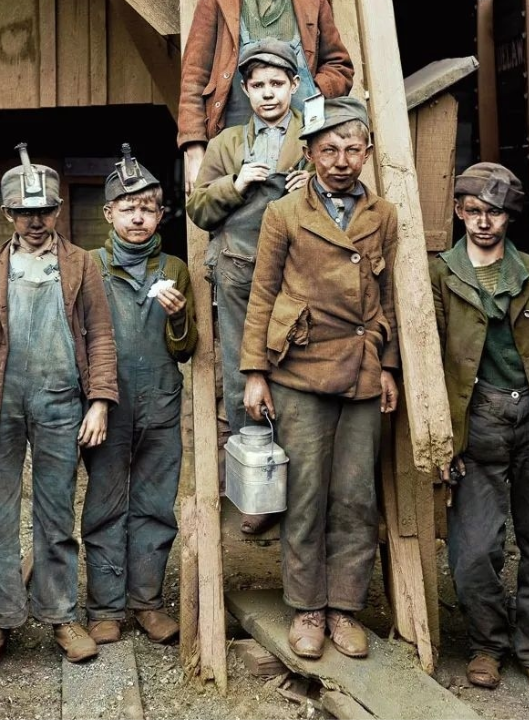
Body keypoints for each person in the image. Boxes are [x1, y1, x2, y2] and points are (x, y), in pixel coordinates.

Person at [0, 143, 117, 663]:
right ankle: (1, 618)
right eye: (24, 211)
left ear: (58, 210)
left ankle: (61, 616)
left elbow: (102, 338)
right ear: (8, 215)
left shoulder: (82, 265)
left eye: (43, 210)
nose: (34, 220)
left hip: (61, 402)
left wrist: (100, 402)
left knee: (56, 513)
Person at [240, 96, 399, 660]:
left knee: (355, 496)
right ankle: (307, 606)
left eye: (352, 149)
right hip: (299, 368)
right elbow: (261, 292)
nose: (340, 160)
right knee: (304, 494)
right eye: (328, 148)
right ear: (308, 152)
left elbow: (391, 299)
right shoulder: (283, 213)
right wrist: (255, 372)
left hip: (360, 367)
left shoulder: (382, 215)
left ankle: (344, 608)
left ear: (367, 154)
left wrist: (390, 368)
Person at [430, 162, 529, 699]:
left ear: (508, 217)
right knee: (473, 550)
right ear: (459, 212)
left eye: (493, 212)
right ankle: (487, 645)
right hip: (477, 424)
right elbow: (432, 359)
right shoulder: (442, 273)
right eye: (473, 211)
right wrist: (443, 439)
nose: (482, 222)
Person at [185, 38, 313, 534]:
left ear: (294, 86)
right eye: (257, 85)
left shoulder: (311, 136)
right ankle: (256, 487)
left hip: (298, 271)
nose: (267, 94)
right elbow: (198, 211)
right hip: (239, 269)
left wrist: (313, 187)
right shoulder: (227, 144)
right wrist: (234, 185)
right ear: (244, 89)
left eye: (277, 84)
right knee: (244, 373)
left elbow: (343, 193)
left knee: (297, 371)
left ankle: (297, 490)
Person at [81, 145, 197, 646]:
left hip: (160, 406)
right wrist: (91, 401)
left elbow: (188, 349)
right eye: (128, 208)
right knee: (105, 505)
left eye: (148, 208)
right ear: (109, 213)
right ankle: (105, 606)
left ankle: (146, 603)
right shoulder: (87, 269)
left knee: (154, 505)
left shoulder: (175, 269)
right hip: (109, 408)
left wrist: (178, 316)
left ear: (160, 214)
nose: (138, 217)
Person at [178, 0, 354, 195]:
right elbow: (194, 75)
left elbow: (340, 66)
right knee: (239, 215)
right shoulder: (216, 2)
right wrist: (194, 150)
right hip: (237, 142)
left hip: (301, 143)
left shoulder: (312, 2)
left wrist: (311, 90)